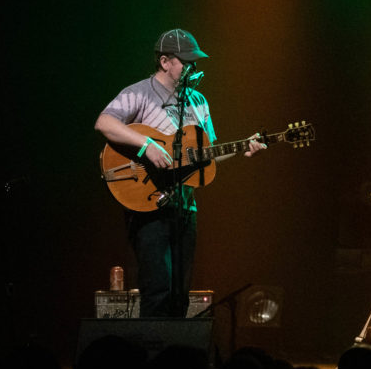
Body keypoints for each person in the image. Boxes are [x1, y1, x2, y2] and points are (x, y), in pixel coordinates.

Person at [94, 28, 264, 318]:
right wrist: (146, 144)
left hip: (185, 204)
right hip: (148, 203)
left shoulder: (199, 102)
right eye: (186, 61)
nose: (192, 67)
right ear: (165, 62)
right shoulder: (139, 92)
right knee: (157, 287)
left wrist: (240, 148)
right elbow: (104, 122)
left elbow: (206, 155)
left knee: (179, 292)